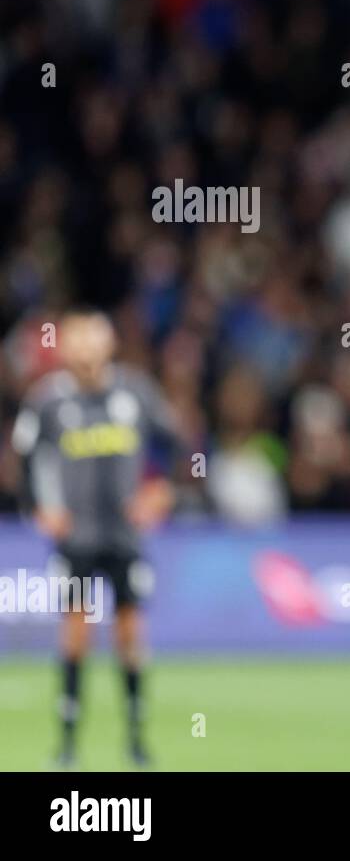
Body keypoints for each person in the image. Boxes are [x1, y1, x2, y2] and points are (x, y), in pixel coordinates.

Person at [11, 310, 179, 768]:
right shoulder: (48, 401)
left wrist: (159, 490)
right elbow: (26, 456)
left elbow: (173, 441)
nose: (85, 351)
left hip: (124, 537)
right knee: (76, 633)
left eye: (93, 340)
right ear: (64, 348)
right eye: (77, 341)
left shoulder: (135, 392)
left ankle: (136, 739)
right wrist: (38, 507)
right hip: (78, 539)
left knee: (129, 632)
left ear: (109, 345)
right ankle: (67, 745)